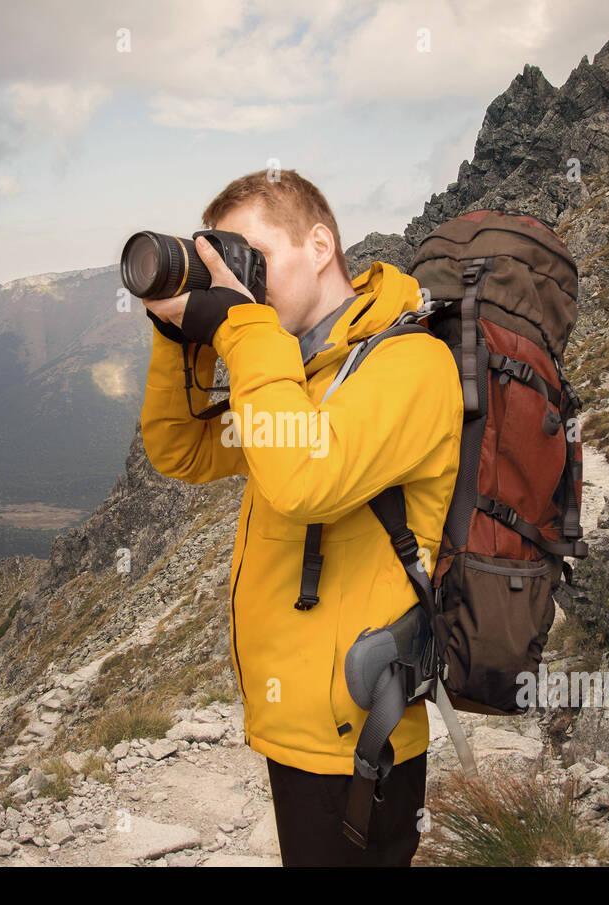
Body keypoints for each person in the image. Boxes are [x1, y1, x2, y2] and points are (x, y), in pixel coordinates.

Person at [137, 169, 462, 866]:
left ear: (320, 245)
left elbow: (303, 480)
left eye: (255, 260)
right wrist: (178, 341)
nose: (246, 287)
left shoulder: (411, 364)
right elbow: (182, 450)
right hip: (298, 729)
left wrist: (239, 325)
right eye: (232, 266)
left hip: (359, 736)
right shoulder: (300, 375)